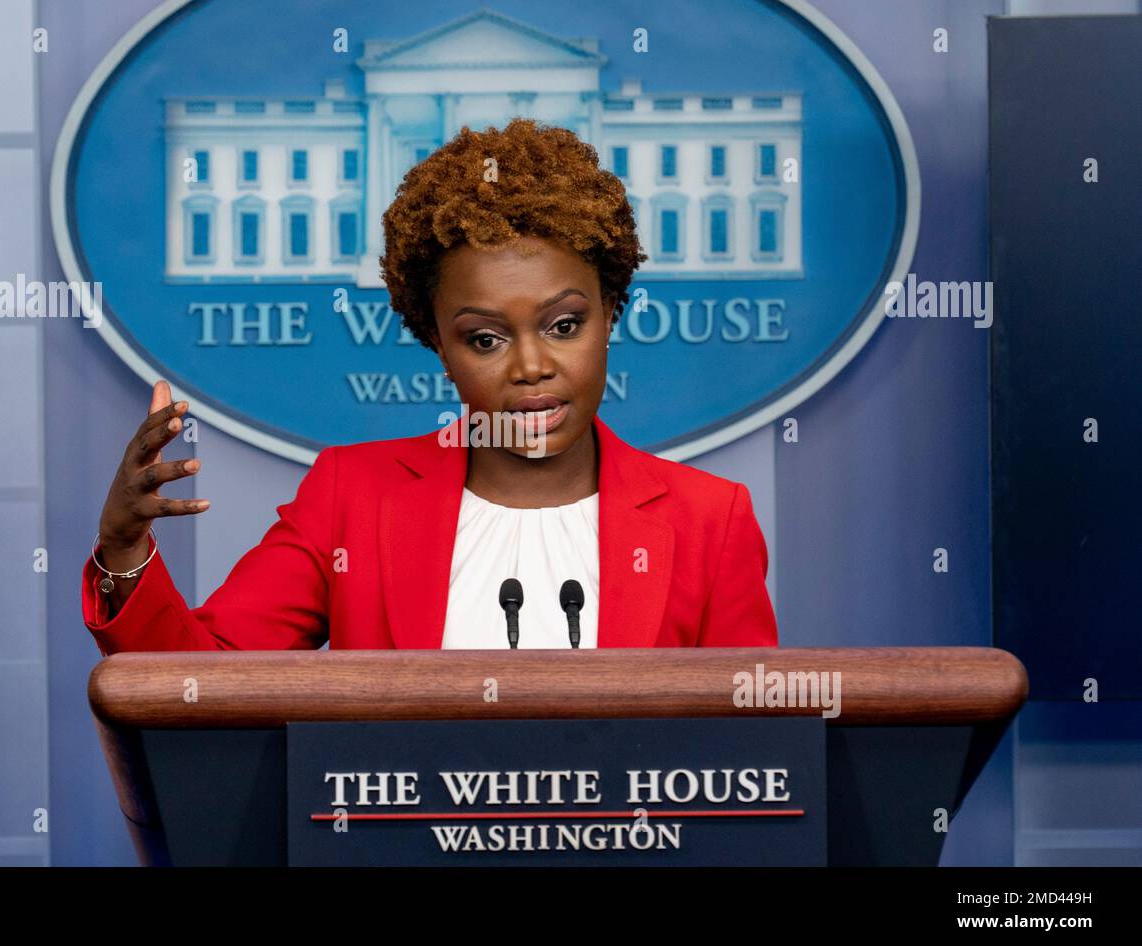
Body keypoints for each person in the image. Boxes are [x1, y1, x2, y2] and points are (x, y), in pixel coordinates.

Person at [81, 118, 778, 653]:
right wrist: (123, 553)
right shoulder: (349, 496)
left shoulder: (709, 522)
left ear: (611, 316)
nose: (531, 365)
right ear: (438, 346)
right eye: (485, 338)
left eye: (564, 325)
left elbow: (758, 762)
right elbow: (201, 684)